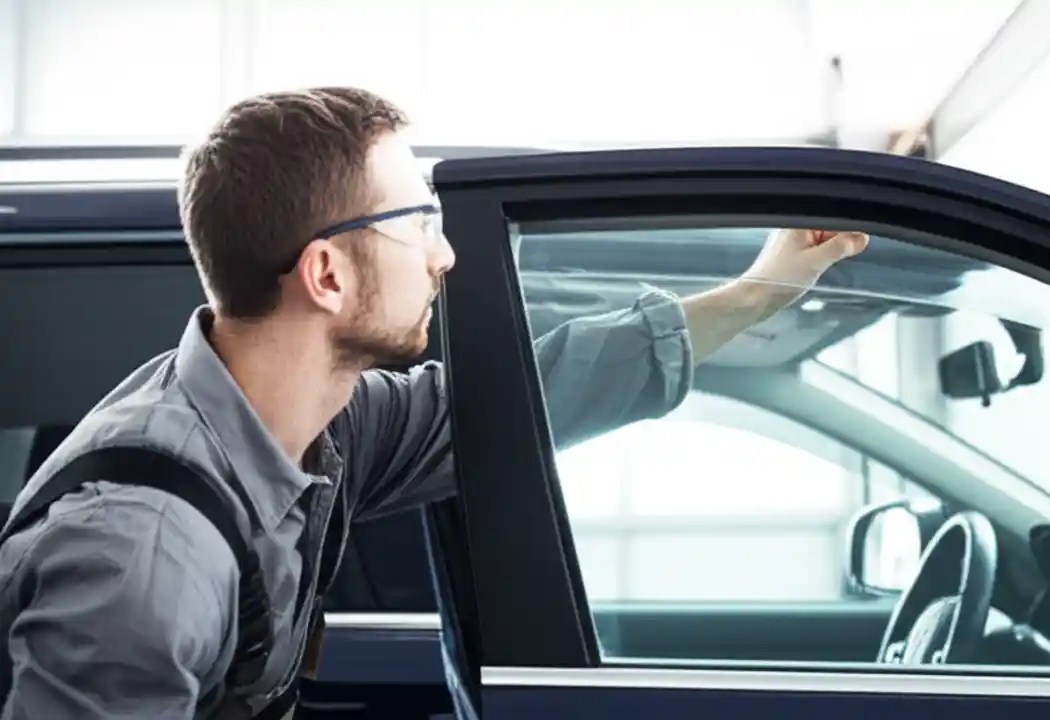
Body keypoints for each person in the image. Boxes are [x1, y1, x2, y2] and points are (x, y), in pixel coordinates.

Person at [0, 87, 869, 719]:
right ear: (328, 274)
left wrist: (758, 294)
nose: (446, 255)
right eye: (419, 222)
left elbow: (527, 398)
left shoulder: (316, 427)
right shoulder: (145, 561)